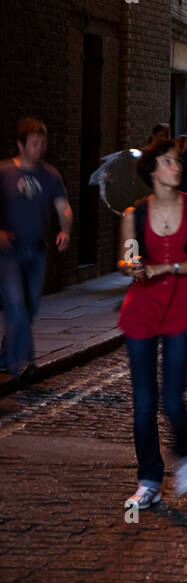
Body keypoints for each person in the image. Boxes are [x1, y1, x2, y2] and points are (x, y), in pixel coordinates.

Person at [116, 137, 187, 508]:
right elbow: (126, 261)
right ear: (153, 170)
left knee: (173, 399)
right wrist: (134, 266)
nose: (177, 167)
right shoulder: (134, 215)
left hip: (182, 308)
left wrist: (166, 266)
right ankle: (149, 480)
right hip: (140, 312)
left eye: (178, 162)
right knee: (143, 404)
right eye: (170, 162)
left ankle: (185, 455)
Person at [0, 118, 73, 384]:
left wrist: (65, 230)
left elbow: (63, 207)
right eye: (34, 143)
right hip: (8, 253)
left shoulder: (50, 175)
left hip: (37, 251)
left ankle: (5, 357)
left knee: (27, 308)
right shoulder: (5, 172)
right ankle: (24, 362)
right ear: (21, 145)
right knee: (15, 303)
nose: (40, 148)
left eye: (43, 143)